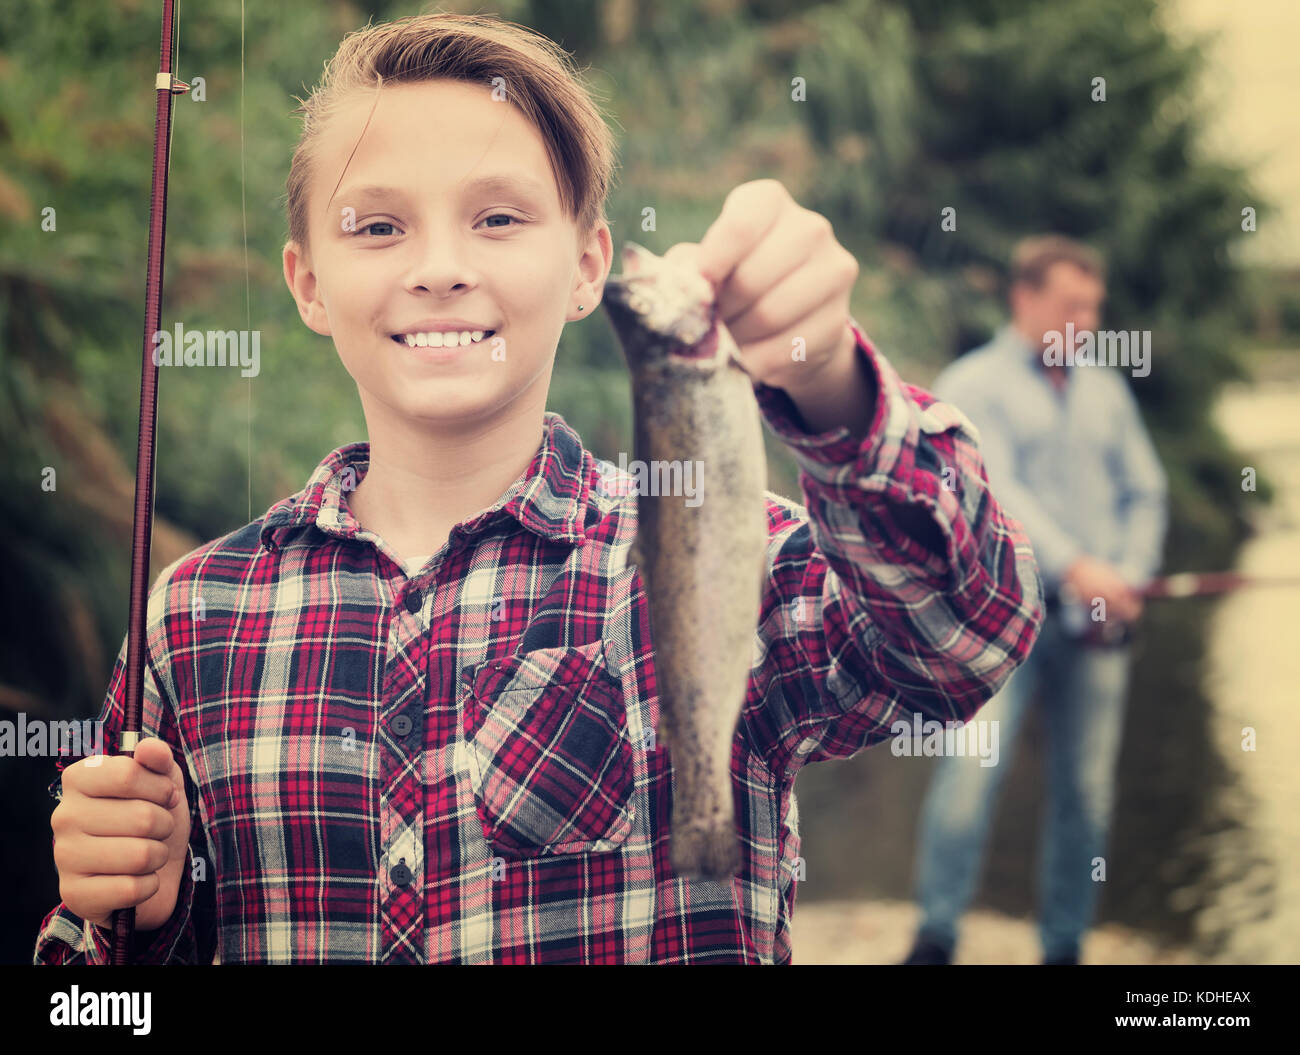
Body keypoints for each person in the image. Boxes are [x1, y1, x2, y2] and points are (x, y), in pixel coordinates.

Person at [34, 12, 1041, 965]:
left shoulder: (716, 548)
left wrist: (829, 381)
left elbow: (961, 638)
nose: (439, 267)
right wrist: (126, 918)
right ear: (306, 283)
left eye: (499, 217)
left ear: (587, 265)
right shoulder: (195, 615)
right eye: (377, 227)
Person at [902, 235, 1168, 966]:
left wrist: (1128, 576)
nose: (1085, 320)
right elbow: (997, 487)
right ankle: (936, 934)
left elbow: (1145, 492)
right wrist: (1079, 564)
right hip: (992, 628)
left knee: (1086, 795)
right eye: (1071, 304)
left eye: (1093, 306)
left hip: (1097, 624)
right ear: (1025, 299)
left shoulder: (1106, 388)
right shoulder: (973, 384)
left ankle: (1063, 946)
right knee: (968, 775)